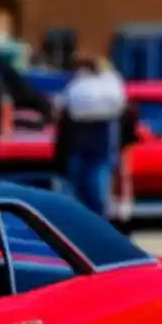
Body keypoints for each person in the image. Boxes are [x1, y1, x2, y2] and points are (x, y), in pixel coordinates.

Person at [53, 55, 127, 218]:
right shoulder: (107, 88)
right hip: (96, 153)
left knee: (83, 198)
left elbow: (63, 119)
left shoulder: (84, 89)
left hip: (85, 153)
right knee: (95, 198)